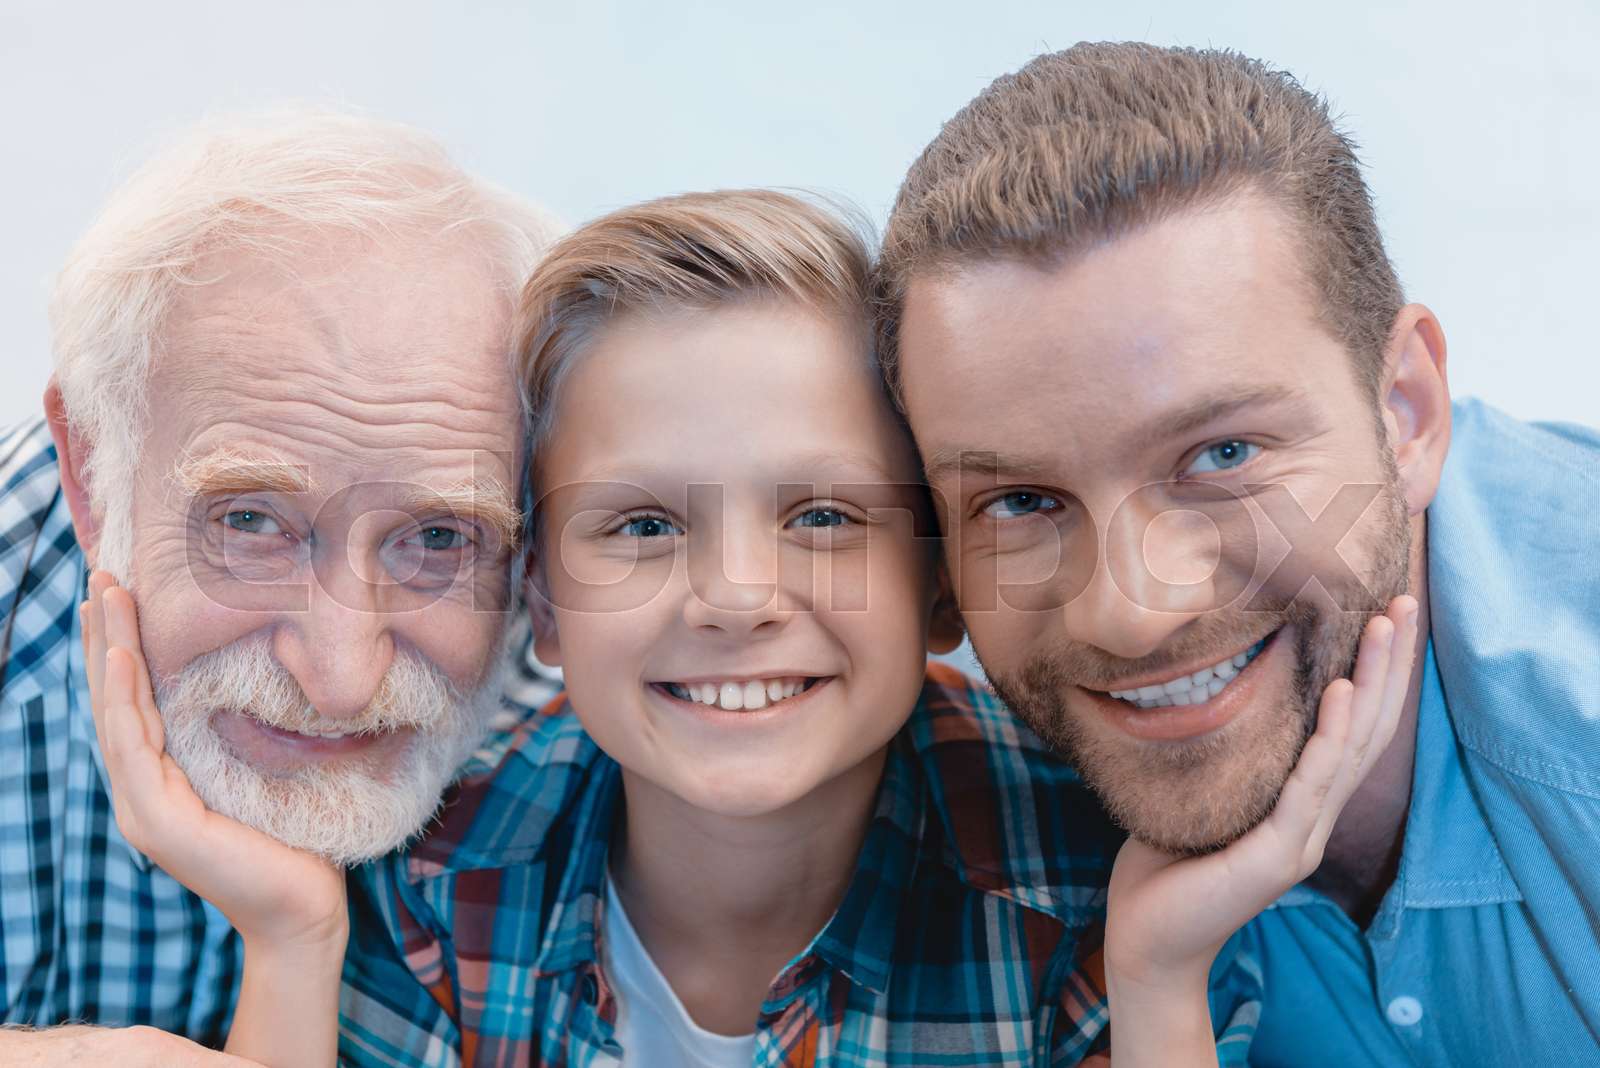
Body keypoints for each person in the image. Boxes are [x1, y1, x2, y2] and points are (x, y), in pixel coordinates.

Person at [875, 41, 1600, 1065]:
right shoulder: (966, 823)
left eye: (1220, 453)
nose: (1130, 612)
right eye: (1022, 501)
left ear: (1406, 414)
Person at [0, 107, 561, 1064]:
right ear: (91, 472)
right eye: (250, 523)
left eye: (437, 538)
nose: (340, 681)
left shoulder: (584, 707)